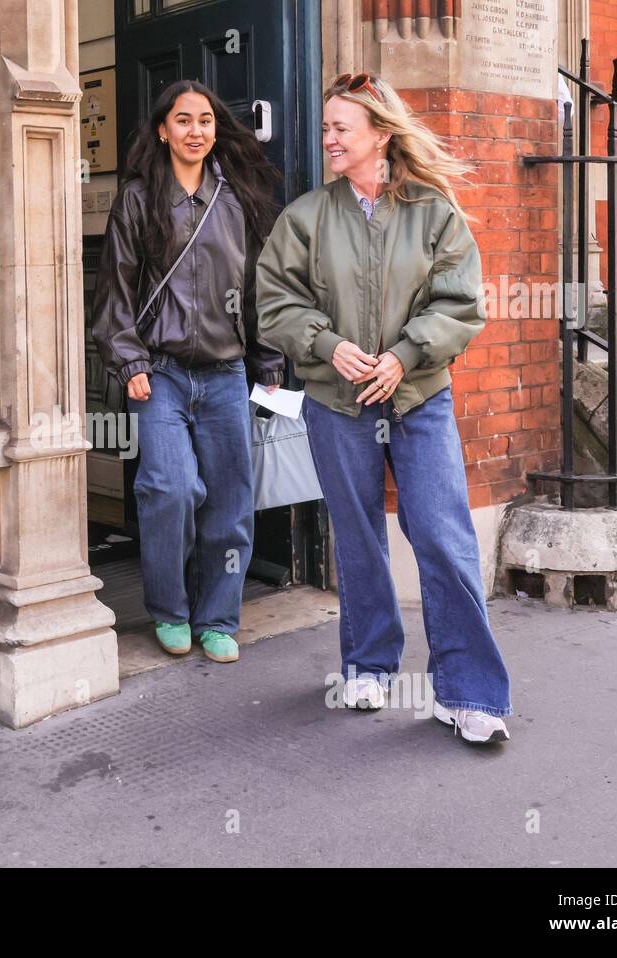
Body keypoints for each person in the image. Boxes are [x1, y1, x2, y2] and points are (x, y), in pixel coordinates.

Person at [255, 72, 513, 743]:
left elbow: (461, 304)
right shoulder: (306, 217)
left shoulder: (434, 212)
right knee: (360, 538)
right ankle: (368, 664)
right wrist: (328, 345)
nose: (329, 138)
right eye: (327, 127)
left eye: (342, 127)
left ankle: (468, 692)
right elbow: (273, 303)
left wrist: (404, 353)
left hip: (418, 398)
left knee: (443, 537)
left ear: (380, 134)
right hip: (337, 405)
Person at [91, 80, 286, 664]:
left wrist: (268, 360)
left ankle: (220, 617)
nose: (195, 130)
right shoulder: (137, 199)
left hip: (226, 374)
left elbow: (259, 287)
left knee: (229, 500)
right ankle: (171, 609)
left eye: (204, 120)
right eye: (183, 120)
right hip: (161, 373)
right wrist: (129, 361)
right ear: (162, 130)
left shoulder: (237, 198)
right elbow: (116, 289)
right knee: (169, 491)